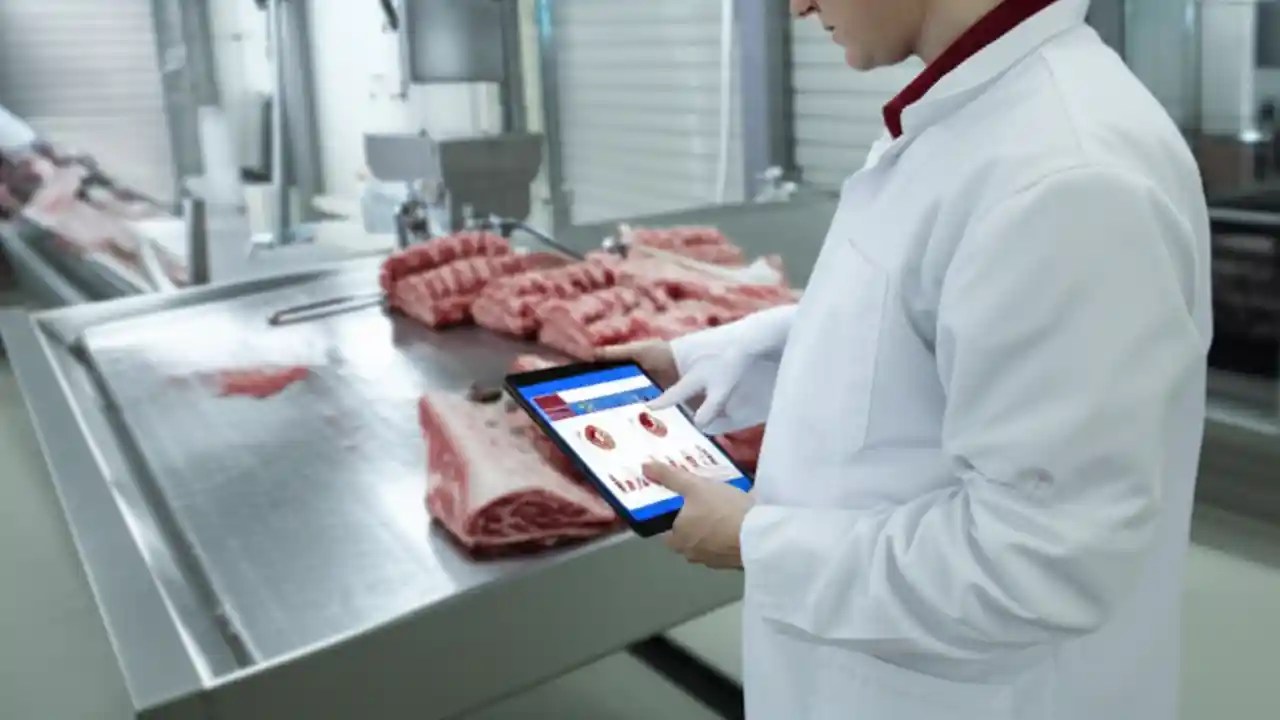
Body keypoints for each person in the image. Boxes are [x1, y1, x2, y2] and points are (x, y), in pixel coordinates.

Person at [602, 0, 1212, 718]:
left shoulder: (1067, 175)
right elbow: (935, 328)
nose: (797, 6)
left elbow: (1037, 564)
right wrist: (721, 353)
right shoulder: (972, 113)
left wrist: (757, 543)